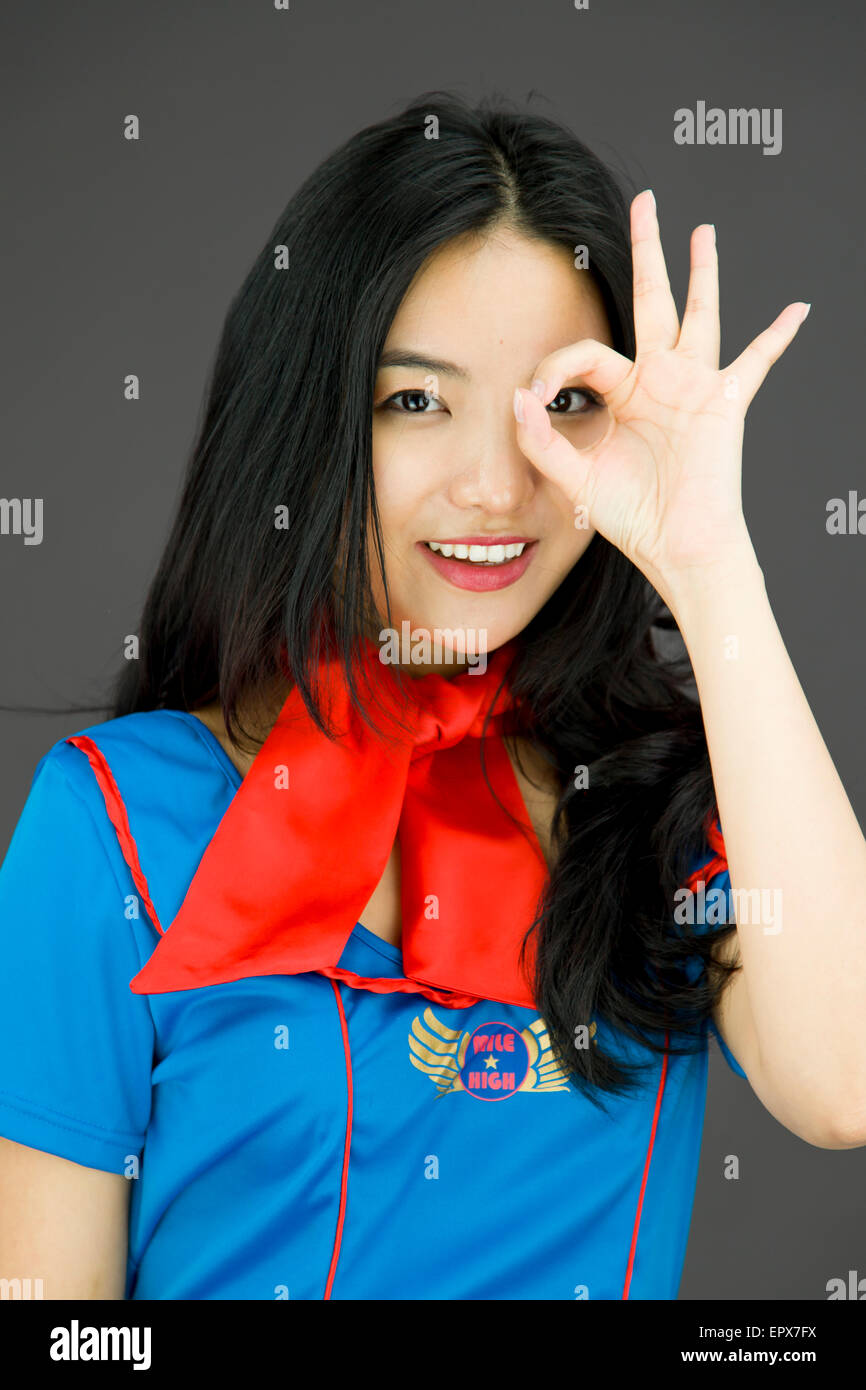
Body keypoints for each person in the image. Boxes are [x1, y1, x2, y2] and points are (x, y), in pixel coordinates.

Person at [1, 90, 864, 1303]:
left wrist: (709, 558)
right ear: (308, 422)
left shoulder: (667, 810)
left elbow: (844, 1082)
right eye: (415, 400)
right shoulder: (113, 825)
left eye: (562, 404)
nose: (494, 483)